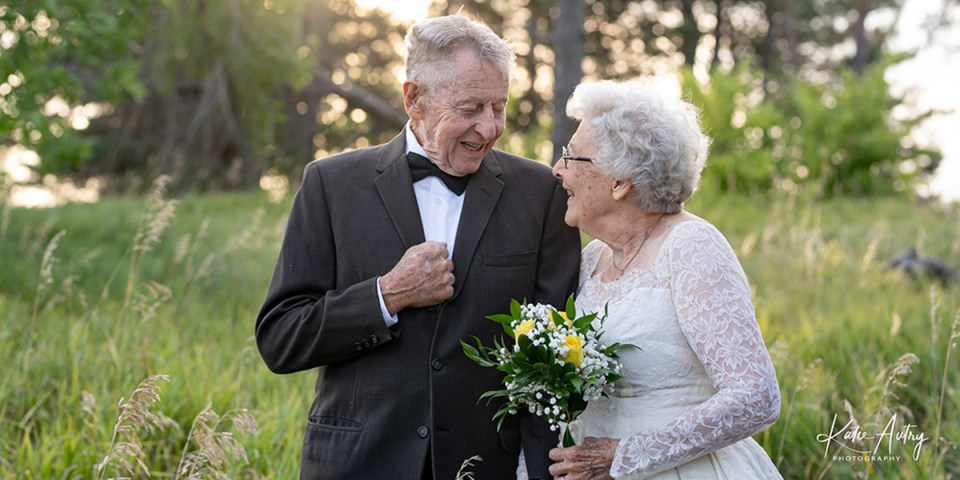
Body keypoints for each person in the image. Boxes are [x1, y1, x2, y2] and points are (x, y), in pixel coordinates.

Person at [254, 14, 581, 480]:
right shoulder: (330, 184)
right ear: (415, 99)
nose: (489, 128)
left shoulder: (540, 193)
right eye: (471, 108)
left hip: (488, 466)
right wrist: (387, 295)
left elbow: (552, 366)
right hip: (357, 464)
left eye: (499, 106)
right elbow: (280, 338)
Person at [543, 79, 782, 479]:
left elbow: (756, 396)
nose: (557, 169)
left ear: (619, 182)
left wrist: (627, 456)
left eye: (572, 157)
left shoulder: (691, 246)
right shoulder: (592, 257)